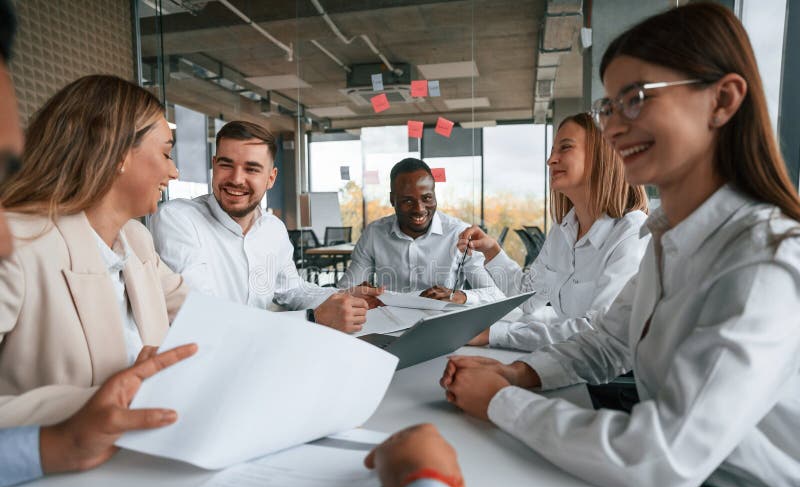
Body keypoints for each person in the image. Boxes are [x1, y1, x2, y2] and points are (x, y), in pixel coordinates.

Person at [441, 4, 800, 487]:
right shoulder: (667, 237)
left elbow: (663, 461)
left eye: (635, 100)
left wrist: (503, 402)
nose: (613, 126)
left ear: (722, 100)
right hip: (685, 480)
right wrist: (518, 373)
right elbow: (609, 341)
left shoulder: (765, 257)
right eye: (609, 107)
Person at [0, 2, 198, 487]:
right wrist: (83, 411)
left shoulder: (136, 240)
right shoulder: (18, 244)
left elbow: (202, 316)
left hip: (137, 473)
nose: (174, 173)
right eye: (167, 154)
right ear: (115, 155)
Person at [152, 121, 381, 333]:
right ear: (214, 165)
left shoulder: (272, 229)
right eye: (226, 165)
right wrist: (311, 319)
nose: (236, 179)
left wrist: (343, 296)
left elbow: (293, 290)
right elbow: (204, 315)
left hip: (260, 352)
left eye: (251, 169)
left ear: (271, 178)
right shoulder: (178, 219)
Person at [458, 112, 648, 350]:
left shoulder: (632, 234)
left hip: (607, 375)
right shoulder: (563, 231)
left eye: (565, 148)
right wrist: (492, 251)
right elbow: (528, 298)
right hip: (568, 360)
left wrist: (496, 334)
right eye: (552, 151)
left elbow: (597, 331)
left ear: (603, 155)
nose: (551, 160)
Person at [338, 157, 504, 304]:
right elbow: (345, 289)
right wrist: (355, 293)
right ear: (392, 200)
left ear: (434, 195)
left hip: (442, 323)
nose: (419, 209)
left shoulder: (459, 233)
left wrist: (461, 296)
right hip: (388, 322)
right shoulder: (374, 233)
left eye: (427, 198)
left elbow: (494, 294)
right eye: (408, 201)